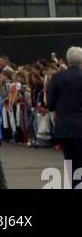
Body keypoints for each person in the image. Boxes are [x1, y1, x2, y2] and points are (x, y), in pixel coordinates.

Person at [46, 44, 82, 189]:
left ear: (67, 60)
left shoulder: (57, 77)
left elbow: (50, 103)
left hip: (65, 127)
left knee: (71, 162)